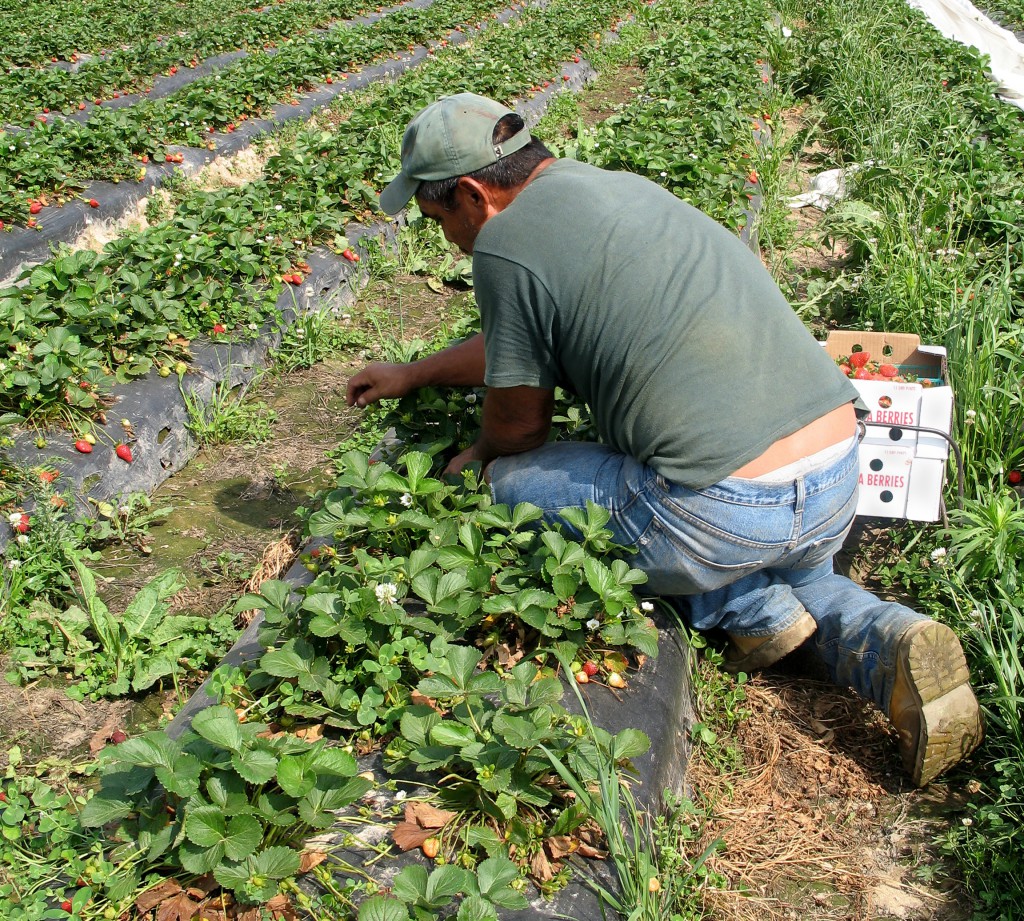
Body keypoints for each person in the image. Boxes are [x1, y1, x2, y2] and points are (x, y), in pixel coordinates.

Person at [346, 93, 982, 787]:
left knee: (508, 484)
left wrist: (475, 463)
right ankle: (882, 636)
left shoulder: (506, 243)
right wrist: (415, 372)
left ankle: (739, 601)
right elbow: (516, 341)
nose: (448, 238)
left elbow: (519, 426)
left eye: (438, 218)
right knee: (797, 571)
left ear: (474, 194)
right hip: (834, 476)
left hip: (724, 512)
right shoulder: (617, 189)